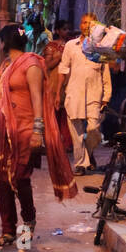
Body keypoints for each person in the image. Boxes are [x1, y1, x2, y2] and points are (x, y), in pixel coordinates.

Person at [0, 24, 77, 252]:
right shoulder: (6, 65)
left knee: (19, 178)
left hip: (25, 129)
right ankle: (7, 231)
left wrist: (38, 130)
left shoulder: (32, 64)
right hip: (3, 129)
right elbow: (0, 99)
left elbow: (37, 98)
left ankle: (27, 227)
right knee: (1, 180)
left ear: (4, 41)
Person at [56, 12, 111, 173]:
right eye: (84, 23)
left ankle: (85, 154)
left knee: (93, 129)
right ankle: (80, 164)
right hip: (74, 93)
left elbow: (105, 75)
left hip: (95, 94)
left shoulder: (101, 48)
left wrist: (106, 96)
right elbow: (63, 69)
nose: (86, 26)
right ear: (80, 25)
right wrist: (58, 93)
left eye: (90, 23)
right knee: (76, 132)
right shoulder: (71, 46)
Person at [42, 20, 72, 157]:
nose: (66, 32)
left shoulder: (72, 45)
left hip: (68, 83)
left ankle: (66, 144)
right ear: (58, 31)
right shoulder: (51, 46)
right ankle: (52, 143)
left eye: (68, 29)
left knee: (66, 116)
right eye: (64, 29)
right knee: (53, 115)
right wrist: (60, 57)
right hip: (54, 84)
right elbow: (47, 65)